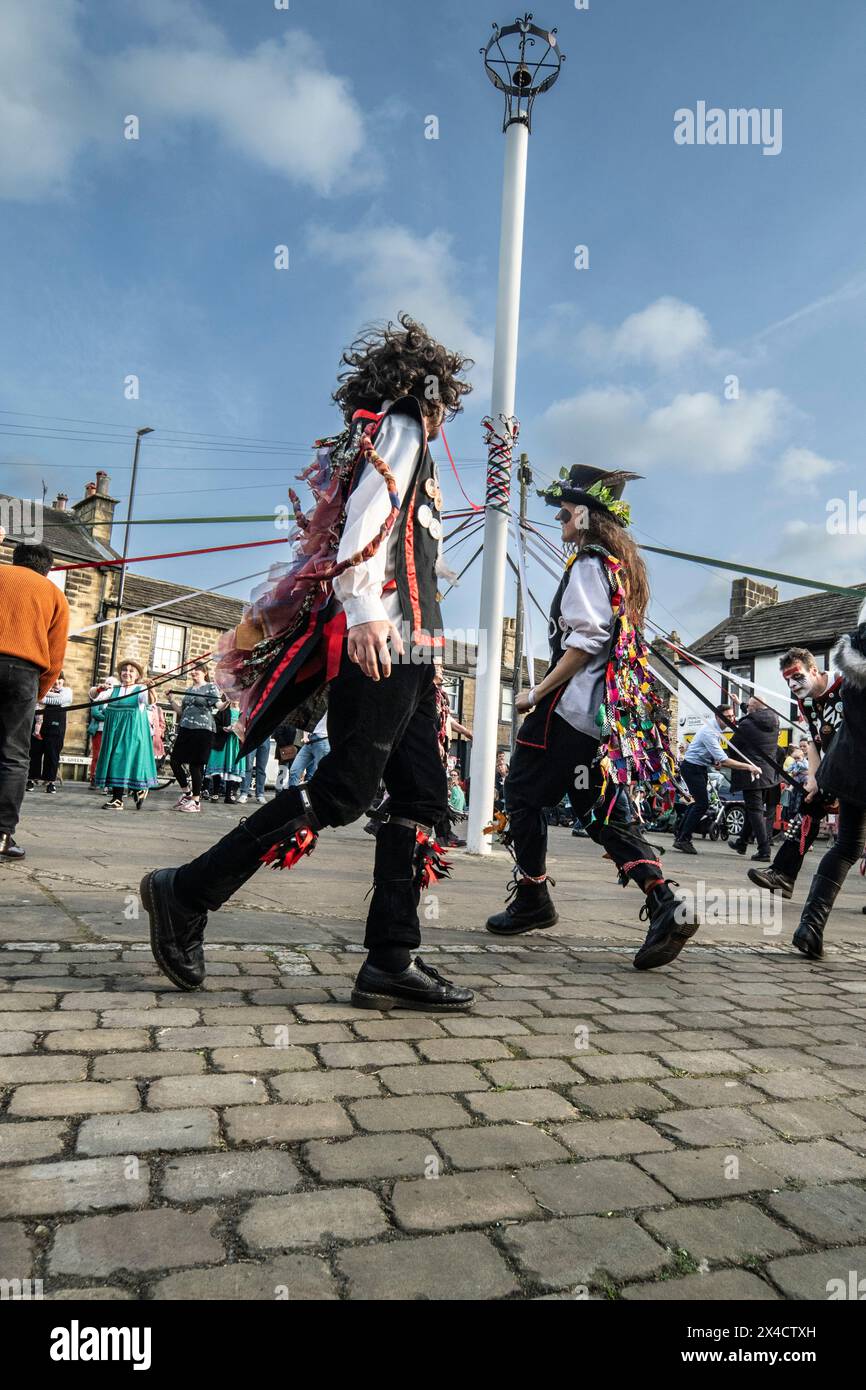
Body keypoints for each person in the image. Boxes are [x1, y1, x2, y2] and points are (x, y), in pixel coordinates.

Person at [140, 313, 476, 1010]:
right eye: (450, 401)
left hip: (414, 643)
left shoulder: (383, 430)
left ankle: (391, 959)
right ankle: (186, 892)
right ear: (430, 385)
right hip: (388, 636)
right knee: (345, 792)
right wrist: (363, 610)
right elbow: (367, 515)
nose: (448, 417)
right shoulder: (404, 422)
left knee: (421, 799)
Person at [484, 465, 696, 970]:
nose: (557, 520)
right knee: (602, 813)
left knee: (520, 796)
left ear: (582, 514)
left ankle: (534, 898)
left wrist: (536, 693)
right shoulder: (620, 566)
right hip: (602, 720)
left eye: (563, 512)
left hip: (565, 712)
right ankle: (666, 900)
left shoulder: (588, 563)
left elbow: (586, 640)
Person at [791, 602, 866, 956]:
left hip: (853, 772)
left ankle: (810, 926)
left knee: (847, 846)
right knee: (849, 847)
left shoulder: (851, 668)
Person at [748, 647, 844, 900]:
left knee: (854, 840)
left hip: (857, 765)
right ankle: (783, 873)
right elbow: (814, 742)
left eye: (797, 676)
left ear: (814, 670)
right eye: (787, 680)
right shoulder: (807, 702)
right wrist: (813, 779)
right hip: (837, 768)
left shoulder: (846, 684)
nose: (792, 684)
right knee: (809, 805)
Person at [0, 541, 70, 860]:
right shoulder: (55, 595)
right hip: (23, 673)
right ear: (48, 569)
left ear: (14, 559)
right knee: (14, 754)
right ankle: (1, 836)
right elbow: (55, 658)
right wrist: (37, 696)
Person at [673, 706, 760, 855]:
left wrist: (714, 761)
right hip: (692, 768)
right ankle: (683, 839)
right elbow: (724, 760)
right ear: (718, 717)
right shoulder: (710, 731)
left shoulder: (716, 727)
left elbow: (714, 756)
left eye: (732, 716)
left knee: (698, 803)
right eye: (728, 716)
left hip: (698, 767)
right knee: (702, 803)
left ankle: (680, 834)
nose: (732, 719)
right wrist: (749, 767)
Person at [93, 660, 158, 810]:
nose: (127, 673)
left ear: (137, 675)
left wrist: (151, 688)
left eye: (131, 671)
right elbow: (94, 697)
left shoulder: (140, 689)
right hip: (114, 732)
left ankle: (118, 799)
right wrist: (98, 689)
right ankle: (138, 790)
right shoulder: (113, 689)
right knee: (117, 760)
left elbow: (150, 701)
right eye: (124, 670)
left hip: (131, 732)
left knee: (122, 760)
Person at [726, 696, 781, 861]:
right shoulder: (774, 720)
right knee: (754, 809)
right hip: (768, 774)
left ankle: (764, 850)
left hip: (752, 773)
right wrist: (739, 703)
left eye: (748, 706)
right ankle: (742, 842)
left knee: (755, 811)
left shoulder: (747, 724)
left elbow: (733, 745)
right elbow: (754, 712)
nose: (747, 708)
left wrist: (730, 760)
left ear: (754, 708)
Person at [168, 663, 222, 813]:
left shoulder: (210, 687)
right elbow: (181, 711)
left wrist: (227, 701)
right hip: (186, 729)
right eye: (192, 671)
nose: (194, 673)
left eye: (197, 670)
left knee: (195, 765)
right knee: (174, 761)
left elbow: (219, 704)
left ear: (204, 672)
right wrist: (171, 699)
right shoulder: (189, 690)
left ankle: (196, 801)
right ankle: (187, 793)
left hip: (203, 730)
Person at [28, 672, 73, 792]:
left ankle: (50, 781)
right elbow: (39, 698)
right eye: (55, 679)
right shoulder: (42, 689)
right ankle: (31, 779)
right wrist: (44, 697)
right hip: (39, 727)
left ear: (63, 680)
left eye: (60, 679)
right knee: (34, 753)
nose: (57, 681)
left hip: (56, 728)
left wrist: (44, 697)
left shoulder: (67, 691)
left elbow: (59, 700)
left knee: (52, 755)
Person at [205, 701, 245, 803]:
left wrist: (242, 730)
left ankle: (228, 795)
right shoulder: (223, 711)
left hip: (235, 744)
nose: (236, 700)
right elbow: (214, 725)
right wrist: (223, 728)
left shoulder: (243, 713)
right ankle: (215, 793)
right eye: (234, 698)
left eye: (238, 698)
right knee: (218, 767)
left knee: (231, 767)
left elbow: (248, 728)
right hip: (222, 742)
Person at [87, 676, 117, 787]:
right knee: (97, 756)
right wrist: (107, 715)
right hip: (98, 730)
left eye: (111, 684)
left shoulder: (115, 698)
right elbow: (95, 713)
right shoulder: (99, 696)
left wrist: (105, 714)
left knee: (109, 756)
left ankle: (107, 780)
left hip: (111, 731)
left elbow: (114, 714)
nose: (109, 686)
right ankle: (94, 778)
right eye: (107, 683)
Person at [289, 713, 330, 786]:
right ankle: (292, 794)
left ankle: (319, 796)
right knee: (294, 771)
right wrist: (305, 735)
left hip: (322, 740)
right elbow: (307, 718)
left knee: (322, 775)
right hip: (310, 741)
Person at [239, 737, 272, 804]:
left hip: (265, 738)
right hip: (253, 736)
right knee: (248, 767)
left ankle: (260, 794)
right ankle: (244, 793)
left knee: (261, 768)